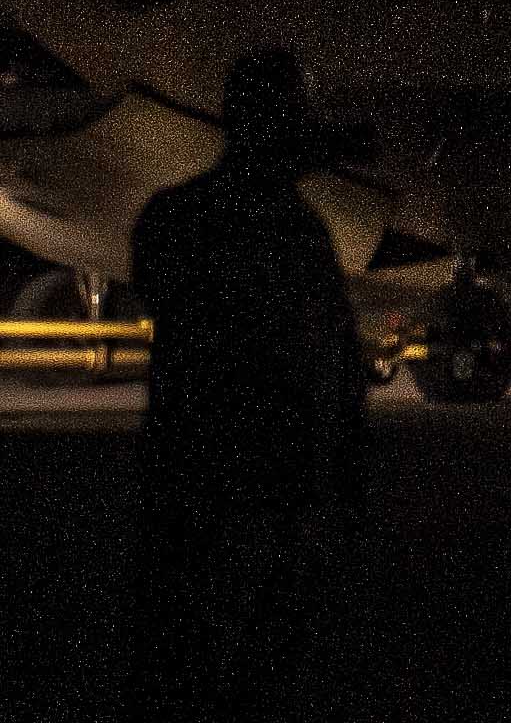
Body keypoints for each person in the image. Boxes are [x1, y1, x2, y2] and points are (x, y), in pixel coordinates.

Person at [125, 49, 371, 723]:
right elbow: (324, 363)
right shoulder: (292, 232)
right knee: (258, 669)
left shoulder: (173, 219)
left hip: (196, 486)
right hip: (263, 491)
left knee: (187, 667)